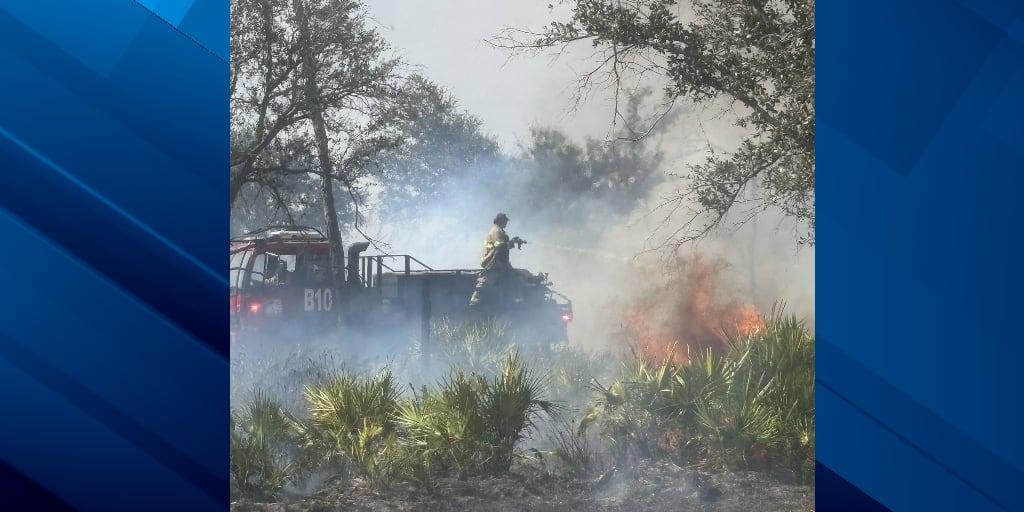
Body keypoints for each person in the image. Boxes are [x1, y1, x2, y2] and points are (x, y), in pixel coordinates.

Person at [469, 212, 524, 307]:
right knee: (484, 285)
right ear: (500, 220)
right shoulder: (497, 231)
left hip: (497, 263)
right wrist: (512, 242)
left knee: (511, 279)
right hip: (494, 263)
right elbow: (499, 247)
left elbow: (501, 246)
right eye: (505, 221)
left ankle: (512, 300)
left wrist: (513, 241)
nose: (506, 223)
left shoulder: (497, 230)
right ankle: (473, 304)